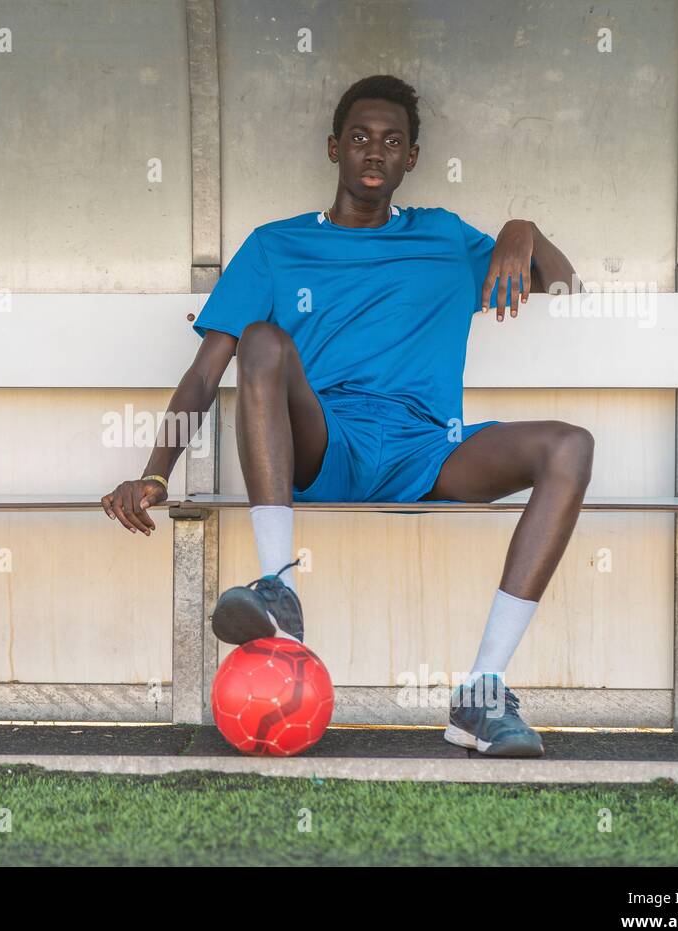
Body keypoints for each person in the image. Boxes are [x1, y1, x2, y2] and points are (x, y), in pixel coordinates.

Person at [100, 75, 589, 758]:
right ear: (335, 148)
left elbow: (564, 284)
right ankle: (279, 590)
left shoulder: (447, 240)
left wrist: (522, 231)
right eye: (360, 137)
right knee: (264, 341)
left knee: (571, 446)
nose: (374, 151)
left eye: (392, 141)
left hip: (429, 450)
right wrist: (154, 473)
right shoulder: (275, 247)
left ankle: (482, 694)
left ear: (410, 158)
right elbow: (207, 372)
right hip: (322, 446)